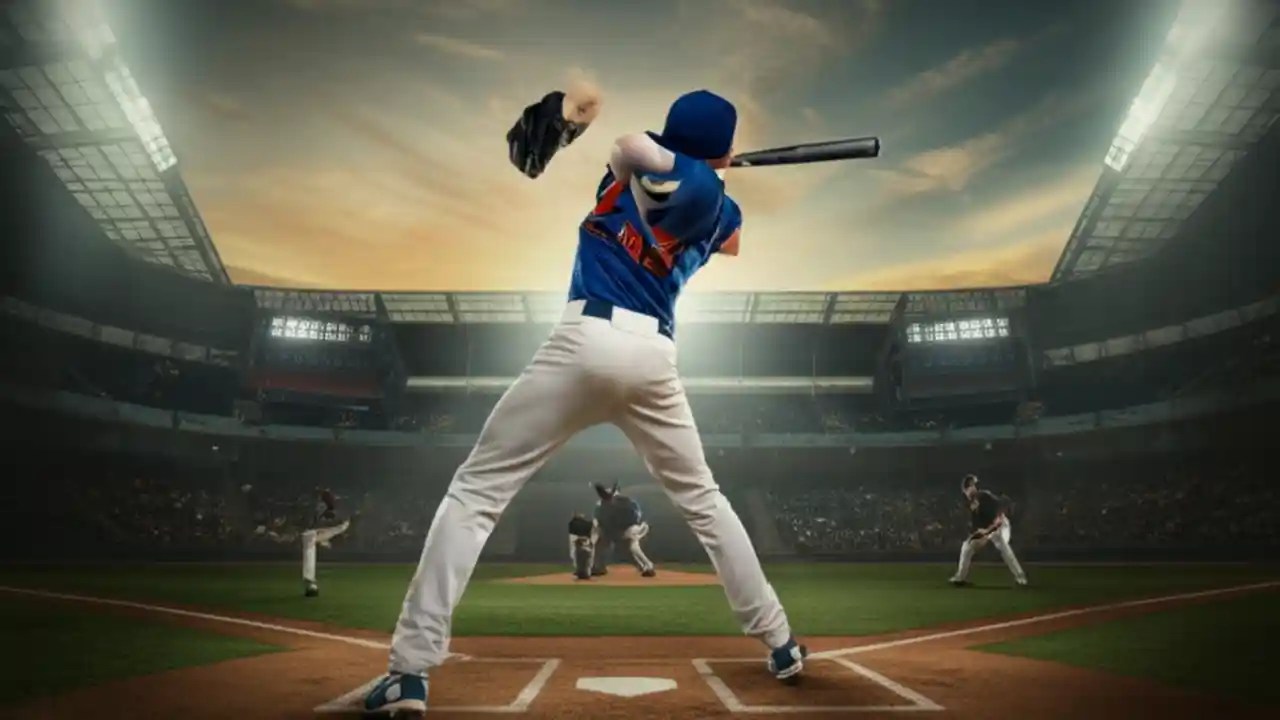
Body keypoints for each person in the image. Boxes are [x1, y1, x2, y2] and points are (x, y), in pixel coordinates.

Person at [364, 90, 804, 716]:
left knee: (475, 493)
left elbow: (628, 148)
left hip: (582, 341)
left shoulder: (659, 183)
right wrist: (716, 170)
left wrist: (693, 165)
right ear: (723, 149)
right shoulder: (716, 209)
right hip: (653, 359)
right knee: (705, 502)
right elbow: (720, 233)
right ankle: (781, 642)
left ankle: (410, 671)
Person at [950, 474, 1028, 587]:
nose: (968, 490)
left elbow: (999, 518)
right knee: (967, 546)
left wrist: (986, 532)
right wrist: (977, 536)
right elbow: (977, 526)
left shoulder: (984, 496)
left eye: (970, 486)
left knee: (1002, 544)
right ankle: (960, 577)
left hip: (1001, 526)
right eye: (966, 488)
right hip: (988, 529)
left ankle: (1021, 577)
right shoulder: (970, 504)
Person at [302, 487, 350, 597]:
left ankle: (310, 581)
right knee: (308, 537)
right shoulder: (315, 506)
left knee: (309, 537)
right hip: (327, 528)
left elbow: (338, 519)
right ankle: (310, 581)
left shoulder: (335, 505)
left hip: (338, 526)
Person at [568, 512, 595, 580]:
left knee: (576, 556)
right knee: (588, 558)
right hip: (586, 541)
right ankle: (586, 572)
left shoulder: (572, 523)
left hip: (578, 541)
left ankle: (580, 571)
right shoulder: (588, 523)